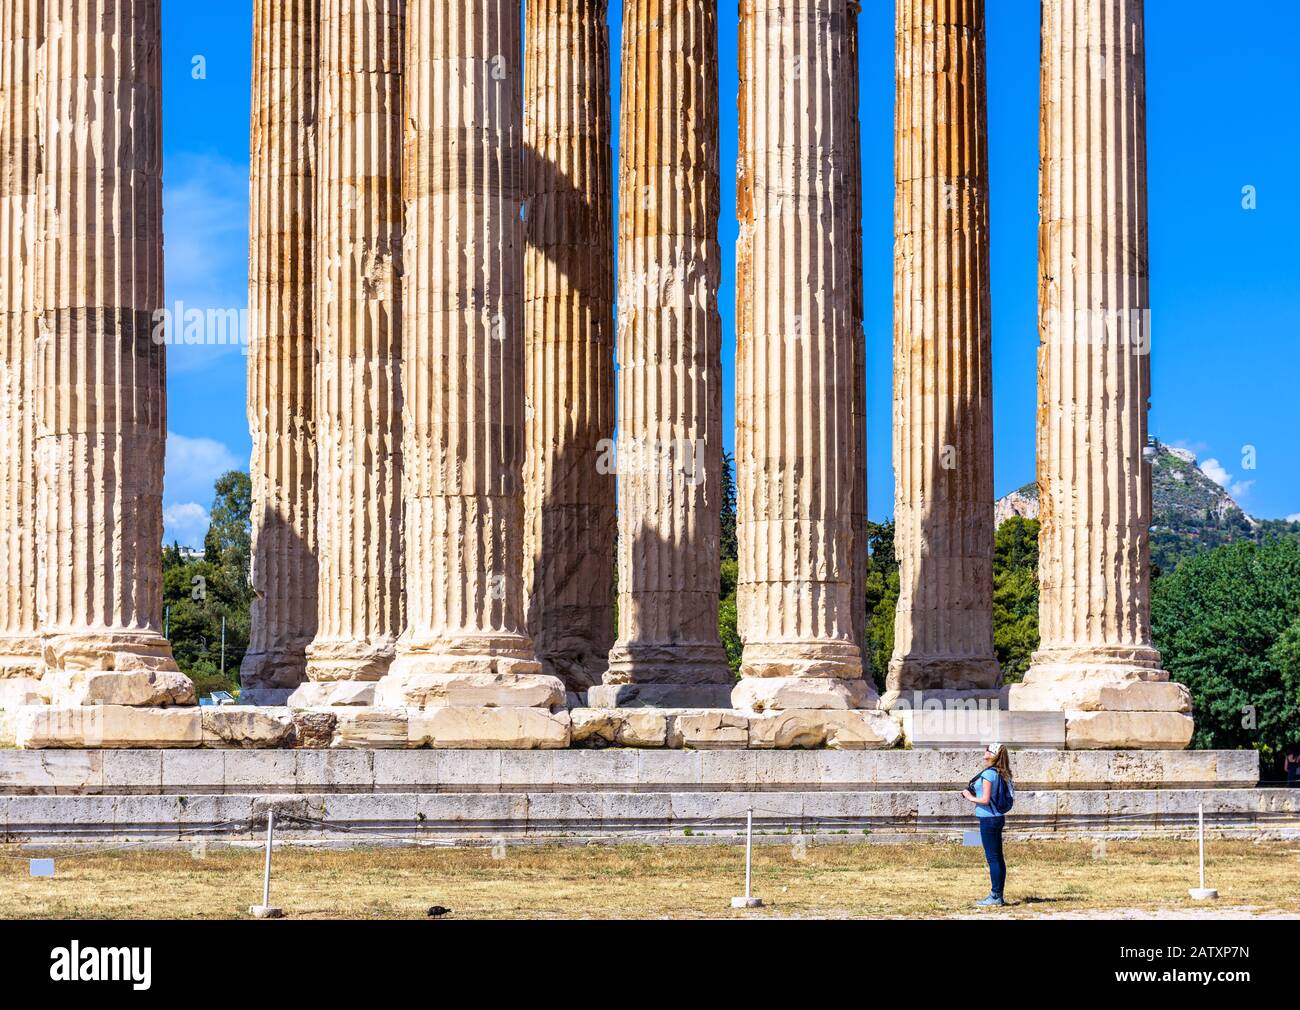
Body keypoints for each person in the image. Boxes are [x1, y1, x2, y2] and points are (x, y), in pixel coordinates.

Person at [963, 742, 1013, 907]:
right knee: (998, 857)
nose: (984, 753)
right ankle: (998, 894)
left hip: (988, 818)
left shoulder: (988, 774)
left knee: (992, 857)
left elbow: (984, 800)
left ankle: (995, 896)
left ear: (992, 754)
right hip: (998, 817)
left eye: (986, 750)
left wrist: (969, 797)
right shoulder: (1002, 773)